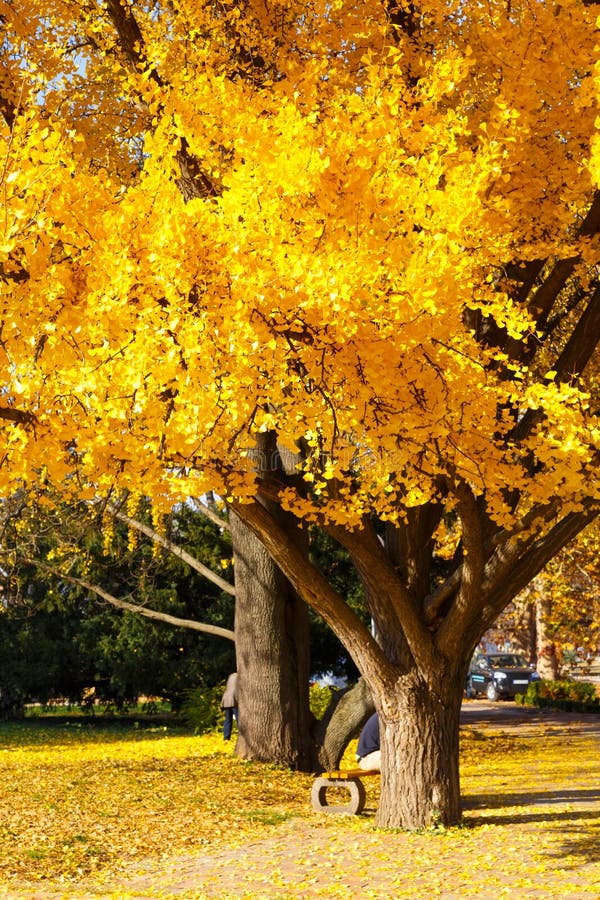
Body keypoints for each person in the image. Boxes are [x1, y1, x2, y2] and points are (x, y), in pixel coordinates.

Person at [221, 672, 238, 741]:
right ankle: (242, 736)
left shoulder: (231, 676)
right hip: (234, 699)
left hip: (226, 700)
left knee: (228, 719)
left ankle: (226, 738)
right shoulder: (241, 676)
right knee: (239, 719)